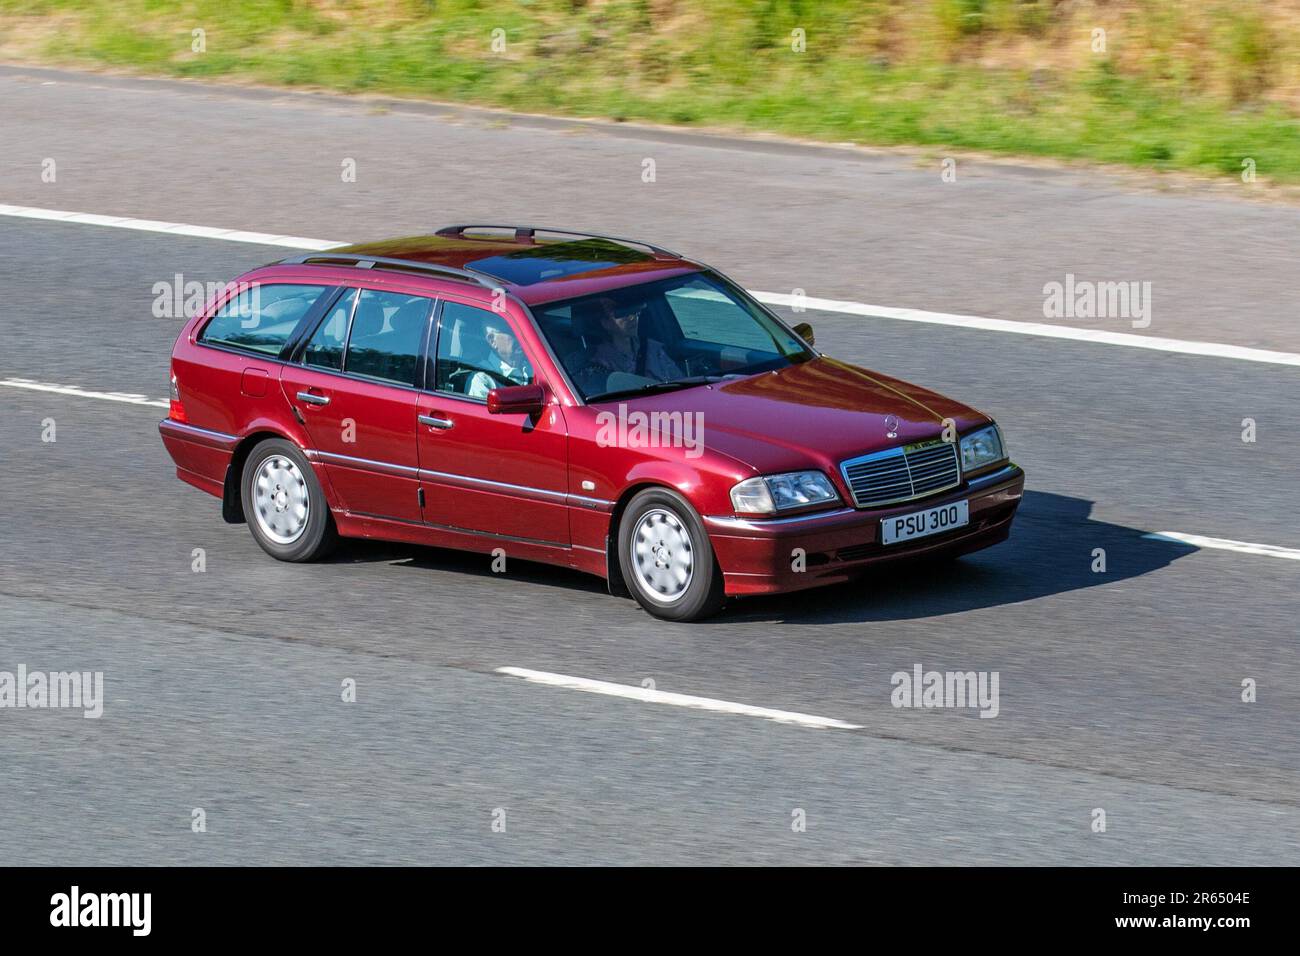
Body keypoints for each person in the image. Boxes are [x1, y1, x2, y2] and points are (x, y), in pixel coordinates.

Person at [576, 296, 682, 394]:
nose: (632, 318)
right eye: (622, 314)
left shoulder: (654, 350)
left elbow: (678, 381)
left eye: (634, 312)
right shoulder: (598, 362)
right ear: (605, 323)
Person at [467, 317, 533, 399]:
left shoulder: (536, 366)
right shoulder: (482, 379)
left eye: (522, 330)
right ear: (492, 340)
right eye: (512, 330)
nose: (521, 336)